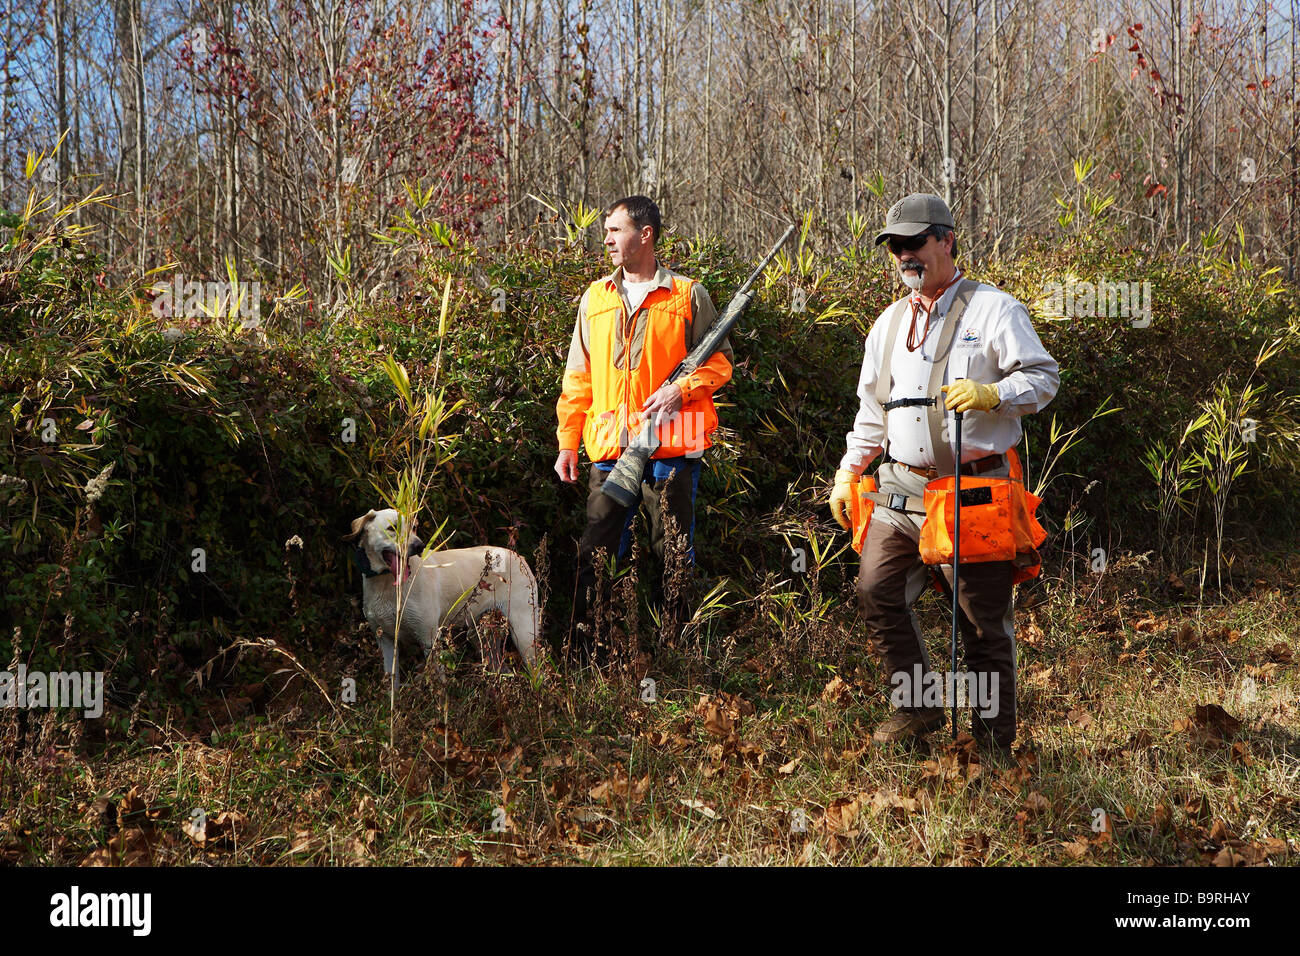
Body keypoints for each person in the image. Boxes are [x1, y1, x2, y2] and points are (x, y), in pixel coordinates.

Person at [829, 193, 1059, 757]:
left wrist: (995, 393)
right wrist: (847, 471)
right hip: (901, 487)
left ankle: (993, 746)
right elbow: (871, 412)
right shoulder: (885, 326)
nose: (905, 255)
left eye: (915, 243)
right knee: (876, 590)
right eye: (896, 247)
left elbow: (1044, 378)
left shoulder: (995, 310)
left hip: (974, 490)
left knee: (981, 623)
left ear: (947, 240)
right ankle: (918, 706)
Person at [554, 195, 733, 657]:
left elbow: (721, 364)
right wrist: (567, 443)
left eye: (615, 230)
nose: (607, 239)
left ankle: (675, 655)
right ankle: (588, 655)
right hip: (611, 450)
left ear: (645, 234)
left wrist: (681, 389)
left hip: (672, 452)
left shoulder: (688, 294)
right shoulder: (595, 298)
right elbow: (578, 378)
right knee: (596, 553)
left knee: (670, 554)